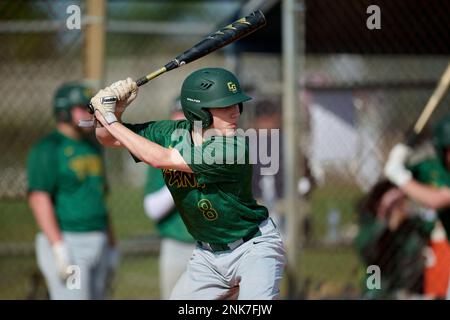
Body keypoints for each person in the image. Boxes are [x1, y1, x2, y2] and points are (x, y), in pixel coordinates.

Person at [91, 68, 286, 300]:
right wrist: (115, 114)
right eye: (225, 106)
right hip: (207, 256)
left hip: (253, 248)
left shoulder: (233, 147)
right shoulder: (170, 132)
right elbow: (109, 138)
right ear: (199, 111)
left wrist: (109, 118)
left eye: (237, 105)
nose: (236, 113)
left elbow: (160, 159)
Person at [27, 82, 118, 300]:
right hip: (70, 242)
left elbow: (98, 197)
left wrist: (112, 242)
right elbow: (39, 198)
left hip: (98, 239)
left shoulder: (93, 145)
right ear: (63, 111)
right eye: (82, 108)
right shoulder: (49, 147)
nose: (89, 113)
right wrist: (58, 247)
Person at [384, 115, 450, 298]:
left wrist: (399, 176)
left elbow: (436, 199)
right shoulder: (437, 170)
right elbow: (418, 181)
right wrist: (401, 157)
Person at [143, 98, 196, 299]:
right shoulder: (162, 156)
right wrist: (181, 179)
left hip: (212, 248)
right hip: (176, 245)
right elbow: (152, 209)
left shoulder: (211, 151)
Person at [354, 180, 433, 299]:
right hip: (378, 286)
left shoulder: (412, 225)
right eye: (394, 204)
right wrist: (387, 225)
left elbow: (432, 228)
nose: (399, 208)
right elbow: (369, 255)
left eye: (401, 202)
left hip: (411, 289)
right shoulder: (370, 225)